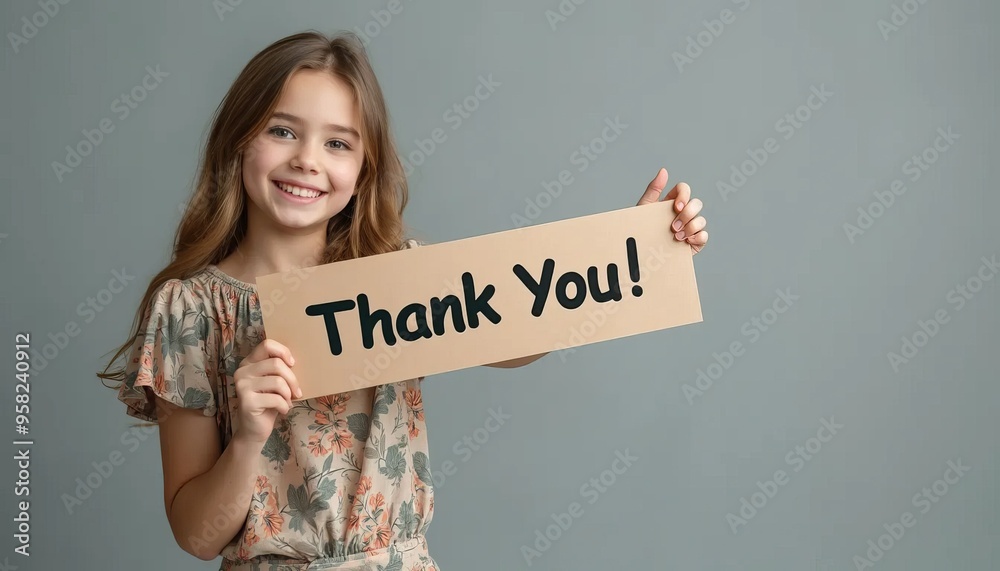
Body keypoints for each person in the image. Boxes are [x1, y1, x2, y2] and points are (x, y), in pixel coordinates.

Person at [97, 30, 708, 571]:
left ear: (364, 167)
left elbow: (520, 333)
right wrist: (248, 437)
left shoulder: (395, 276)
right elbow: (198, 538)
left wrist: (632, 250)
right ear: (238, 140)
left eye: (338, 143)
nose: (307, 160)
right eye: (282, 130)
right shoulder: (191, 311)